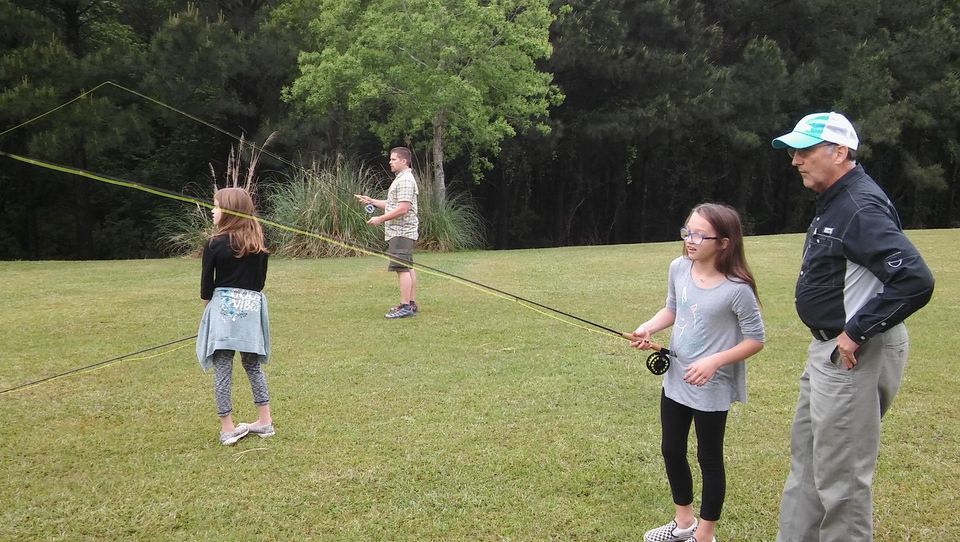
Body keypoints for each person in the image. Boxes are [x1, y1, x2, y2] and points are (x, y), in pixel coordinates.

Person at [771, 112, 934, 541]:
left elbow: (914, 279)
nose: (795, 160)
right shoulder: (837, 200)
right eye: (794, 151)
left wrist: (855, 331)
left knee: (840, 481)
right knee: (806, 466)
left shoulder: (859, 206)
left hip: (852, 356)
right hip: (827, 354)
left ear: (839, 151)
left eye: (805, 150)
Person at [627, 203, 765, 542]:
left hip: (711, 385)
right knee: (671, 449)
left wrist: (715, 361)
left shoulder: (737, 289)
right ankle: (684, 521)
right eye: (688, 231)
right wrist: (648, 328)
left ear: (724, 242)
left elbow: (756, 340)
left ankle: (704, 535)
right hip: (677, 378)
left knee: (708, 458)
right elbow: (673, 308)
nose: (691, 240)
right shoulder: (678, 267)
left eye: (701, 235)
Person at [196, 187, 275, 446]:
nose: (212, 210)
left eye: (216, 206)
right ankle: (265, 421)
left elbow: (207, 287)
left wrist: (210, 315)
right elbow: (259, 283)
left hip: (223, 313)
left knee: (222, 368)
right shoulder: (259, 245)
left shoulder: (214, 244)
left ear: (229, 211)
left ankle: (228, 427)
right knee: (252, 365)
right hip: (251, 312)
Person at [354, 146, 420, 319]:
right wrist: (372, 201)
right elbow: (393, 204)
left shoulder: (405, 180)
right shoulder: (402, 178)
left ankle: (405, 306)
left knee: (401, 268)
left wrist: (380, 219)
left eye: (393, 159)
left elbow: (403, 209)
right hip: (402, 231)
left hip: (401, 231)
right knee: (407, 266)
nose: (390, 162)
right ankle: (411, 304)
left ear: (404, 161)